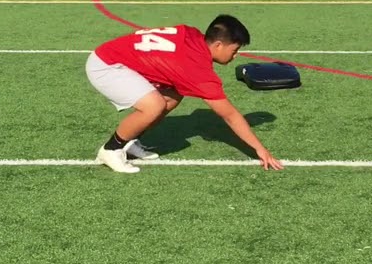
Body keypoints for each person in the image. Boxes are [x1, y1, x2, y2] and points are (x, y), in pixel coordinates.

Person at [85, 15, 284, 174]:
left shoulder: (192, 34)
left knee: (174, 95)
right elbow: (229, 115)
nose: (235, 56)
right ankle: (111, 150)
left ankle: (129, 141)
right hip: (106, 65)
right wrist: (259, 148)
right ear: (218, 46)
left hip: (117, 58)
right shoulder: (197, 70)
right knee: (153, 105)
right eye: (234, 50)